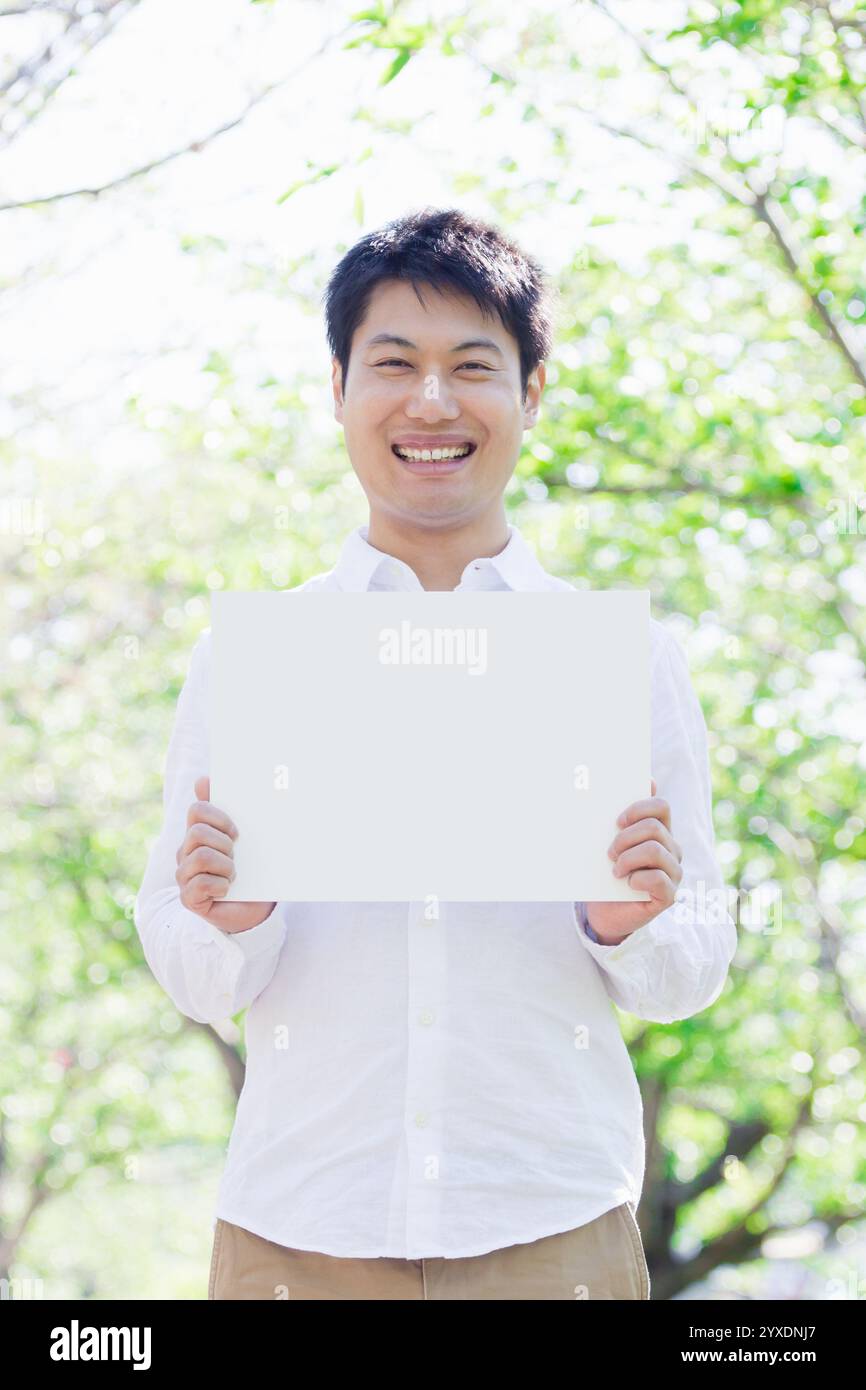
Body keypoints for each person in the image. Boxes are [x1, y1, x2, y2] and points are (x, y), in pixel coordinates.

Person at [134, 207, 737, 1301]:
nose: (430, 402)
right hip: (298, 1224)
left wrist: (624, 921)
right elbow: (181, 957)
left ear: (529, 393)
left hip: (550, 1219)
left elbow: (695, 959)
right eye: (393, 363)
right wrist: (233, 920)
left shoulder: (617, 659)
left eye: (472, 366)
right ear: (336, 387)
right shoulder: (255, 657)